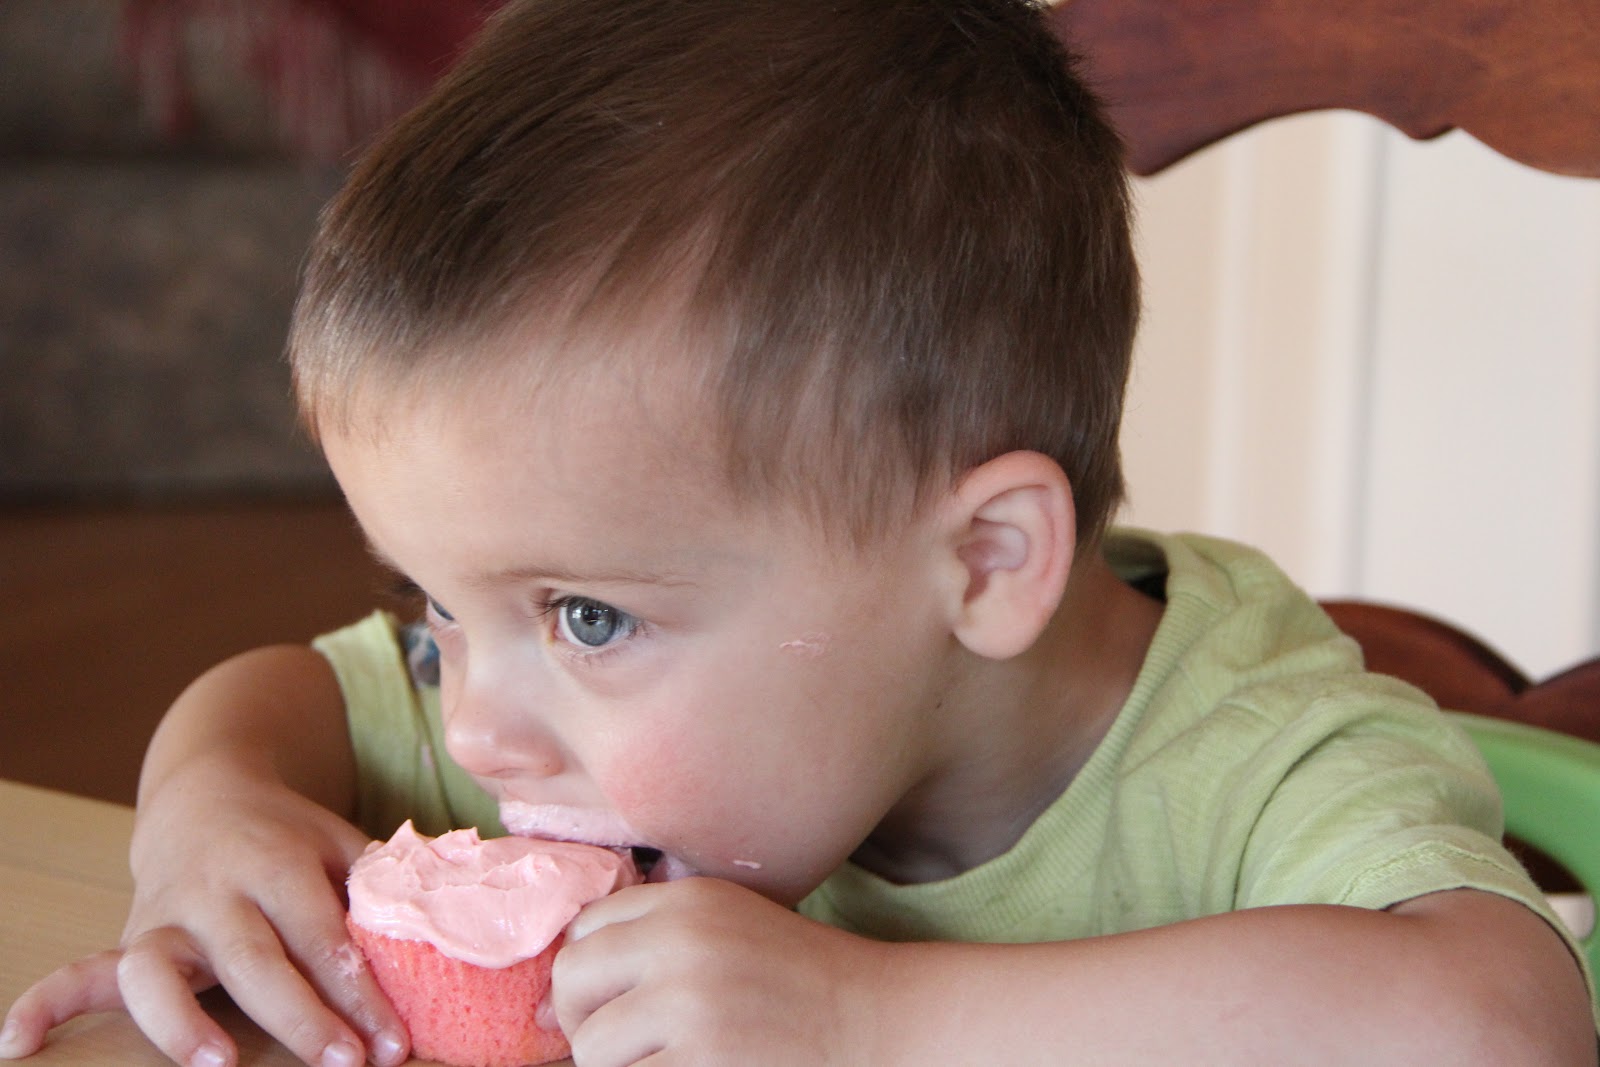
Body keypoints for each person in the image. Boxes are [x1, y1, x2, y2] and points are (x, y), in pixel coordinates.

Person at [3, 0, 1594, 1063]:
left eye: (586, 617)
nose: (475, 726)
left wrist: (870, 1020)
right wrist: (205, 815)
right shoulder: (565, 711)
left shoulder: (1245, 759)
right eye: (434, 605)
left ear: (982, 564)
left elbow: (1498, 1023)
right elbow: (287, 693)